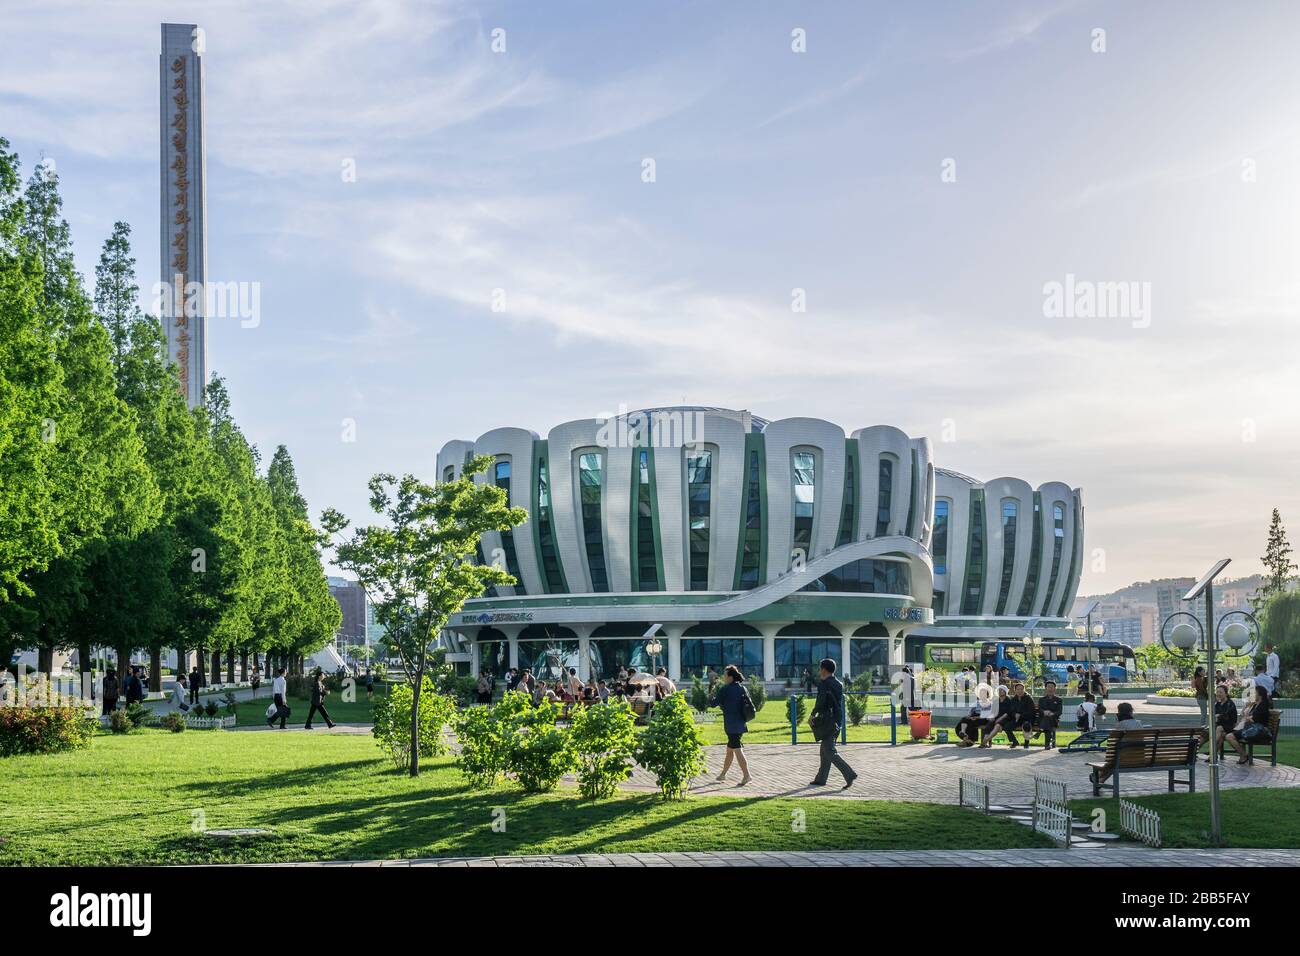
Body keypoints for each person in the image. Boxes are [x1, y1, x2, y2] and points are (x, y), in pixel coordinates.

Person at [807, 658, 856, 788]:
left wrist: (812, 714)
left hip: (827, 720)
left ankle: (849, 774)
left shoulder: (824, 684)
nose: (819, 671)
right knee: (824, 750)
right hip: (836, 719)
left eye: (820, 668)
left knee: (829, 751)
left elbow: (821, 702)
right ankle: (821, 778)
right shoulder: (838, 683)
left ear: (823, 669)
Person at [709, 664, 753, 786]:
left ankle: (747, 775)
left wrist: (711, 694)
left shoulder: (725, 689)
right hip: (740, 724)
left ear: (730, 677)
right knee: (730, 749)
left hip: (731, 725)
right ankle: (723, 774)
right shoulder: (742, 688)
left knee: (737, 749)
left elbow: (713, 704)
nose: (723, 677)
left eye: (725, 675)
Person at [1226, 685, 1273, 765]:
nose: (1252, 694)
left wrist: (1249, 718)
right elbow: (1245, 716)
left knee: (1229, 736)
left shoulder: (1263, 705)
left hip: (1258, 731)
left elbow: (1253, 719)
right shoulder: (1255, 705)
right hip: (1250, 729)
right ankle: (1243, 755)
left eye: (1254, 693)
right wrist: (1247, 708)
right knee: (1228, 736)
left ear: (1260, 695)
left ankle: (1243, 755)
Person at [1211, 684, 1238, 757]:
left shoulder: (1230, 703)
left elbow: (1226, 716)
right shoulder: (1218, 704)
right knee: (1205, 732)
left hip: (1229, 726)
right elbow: (1213, 714)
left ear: (1226, 693)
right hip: (1219, 726)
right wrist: (1214, 703)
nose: (1218, 694)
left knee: (1219, 729)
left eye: (1220, 692)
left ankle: (1212, 747)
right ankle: (1194, 754)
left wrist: (1218, 716)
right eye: (1217, 692)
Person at [1036, 680, 1064, 749]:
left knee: (1047, 719)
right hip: (1042, 720)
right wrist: (1044, 712)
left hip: (1054, 720)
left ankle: (1040, 731)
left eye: (1052, 687)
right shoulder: (1041, 699)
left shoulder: (1059, 700)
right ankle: (1047, 744)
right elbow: (1039, 710)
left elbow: (1059, 712)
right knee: (1046, 721)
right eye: (1048, 687)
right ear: (1045, 688)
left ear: (1055, 689)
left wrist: (1052, 714)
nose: (1050, 689)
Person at [1008, 683, 1036, 749]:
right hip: (1017, 719)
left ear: (1024, 690)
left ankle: (1026, 743)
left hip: (1027, 719)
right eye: (1018, 689)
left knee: (1026, 725)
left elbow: (1031, 712)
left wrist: (1020, 715)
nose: (1020, 691)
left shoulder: (1028, 698)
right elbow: (1010, 711)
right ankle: (1014, 742)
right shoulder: (1013, 699)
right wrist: (1014, 714)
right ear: (1015, 690)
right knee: (1007, 726)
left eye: (1021, 689)